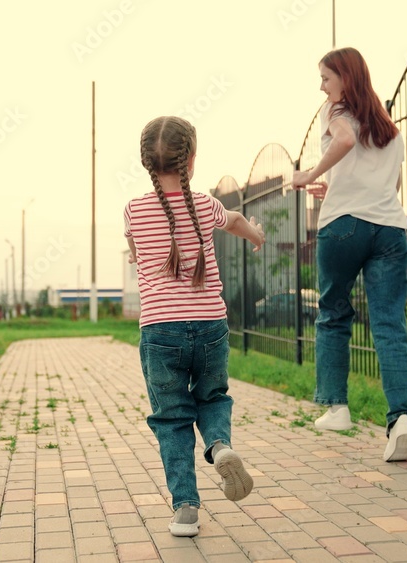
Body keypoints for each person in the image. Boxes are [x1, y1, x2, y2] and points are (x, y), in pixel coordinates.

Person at [124, 116, 266, 537]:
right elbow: (237, 220)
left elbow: (134, 248)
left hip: (160, 331)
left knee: (171, 420)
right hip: (209, 325)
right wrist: (256, 237)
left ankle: (186, 509)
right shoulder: (205, 204)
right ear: (191, 160)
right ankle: (219, 445)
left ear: (147, 162)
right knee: (213, 397)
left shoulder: (133, 209)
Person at [291, 47, 407, 462]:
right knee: (389, 324)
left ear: (345, 78)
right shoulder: (390, 130)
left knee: (333, 313)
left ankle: (337, 408)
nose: (322, 86)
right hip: (390, 229)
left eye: (326, 78)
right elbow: (388, 187)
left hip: (344, 228)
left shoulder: (337, 111)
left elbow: (344, 139)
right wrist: (336, 186)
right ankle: (401, 419)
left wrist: (309, 174)